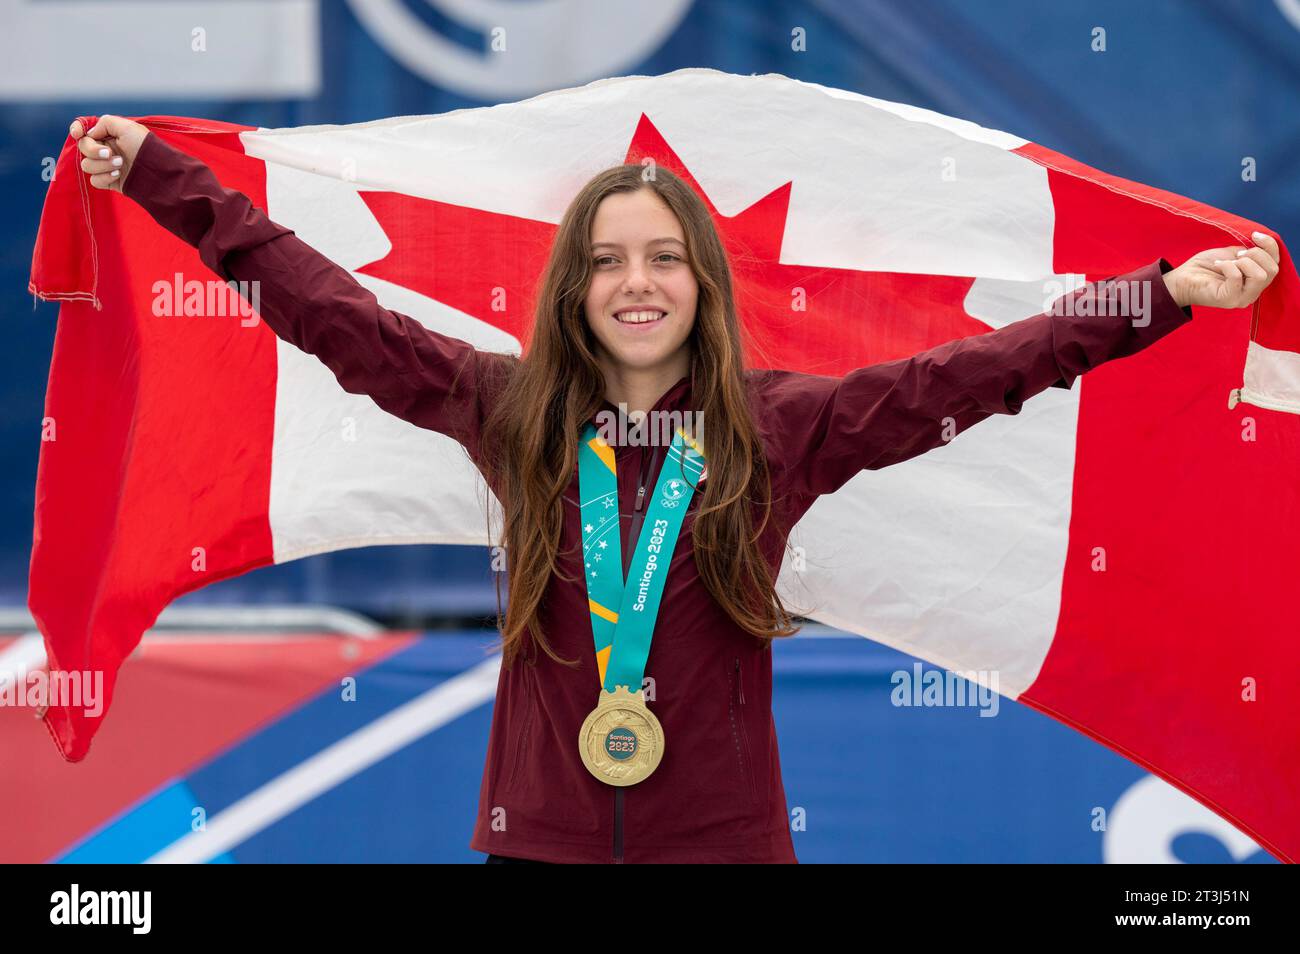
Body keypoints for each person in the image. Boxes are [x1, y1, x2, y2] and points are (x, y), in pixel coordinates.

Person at [70, 114, 1280, 864]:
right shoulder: (512, 413)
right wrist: (168, 182)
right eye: (605, 262)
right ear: (573, 290)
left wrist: (1160, 295)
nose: (633, 283)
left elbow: (986, 370)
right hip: (538, 846)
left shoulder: (782, 429)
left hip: (724, 853)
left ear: (701, 282)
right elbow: (329, 311)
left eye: (661, 258)